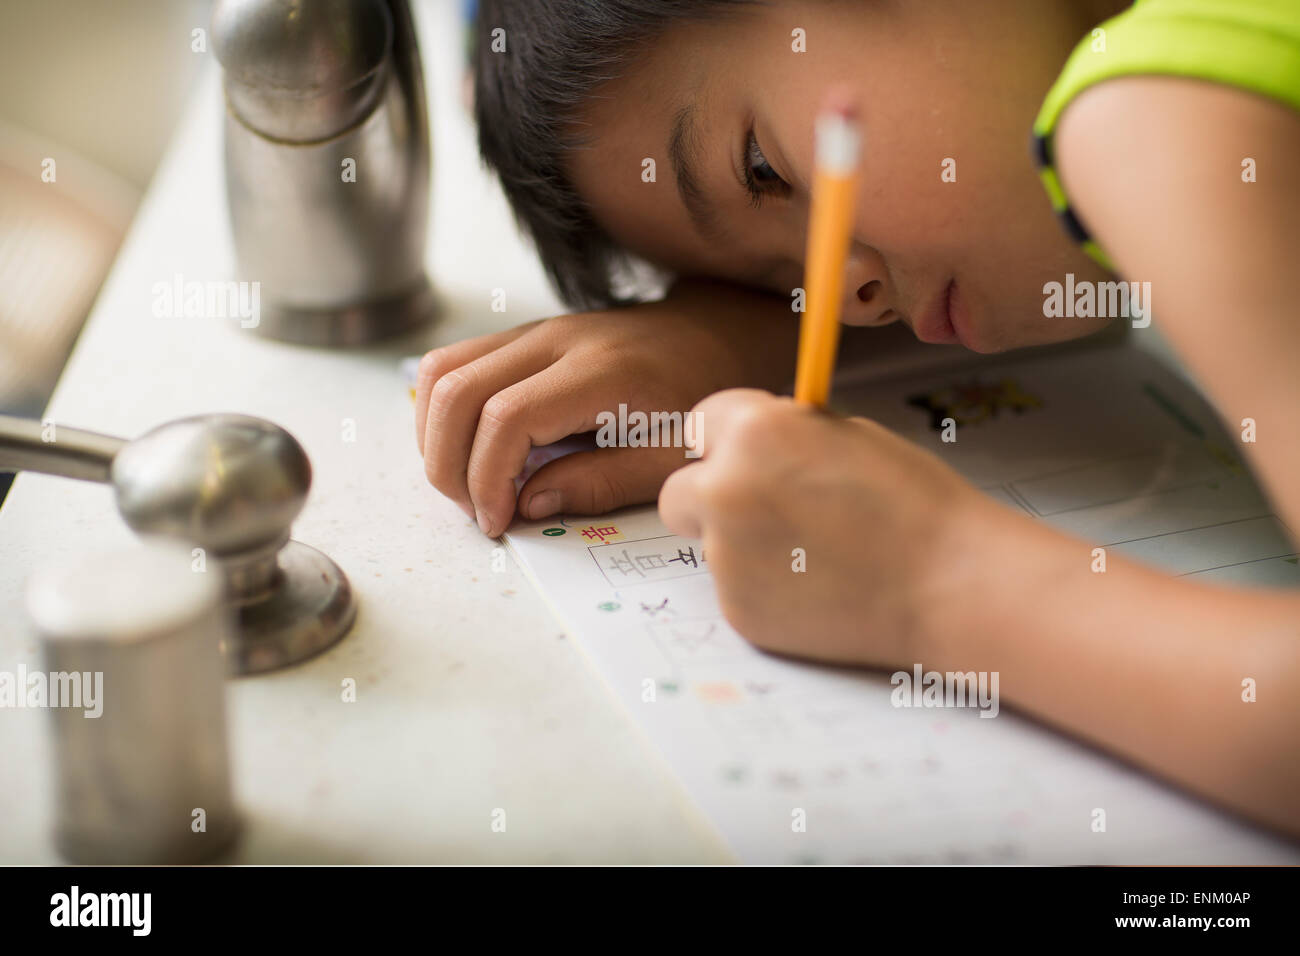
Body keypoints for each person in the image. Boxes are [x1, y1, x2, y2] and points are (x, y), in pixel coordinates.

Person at [413, 0, 1300, 836]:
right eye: (774, 279)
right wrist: (729, 335)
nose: (843, 297)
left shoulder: (1160, 124)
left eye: (761, 172)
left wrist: (932, 582)